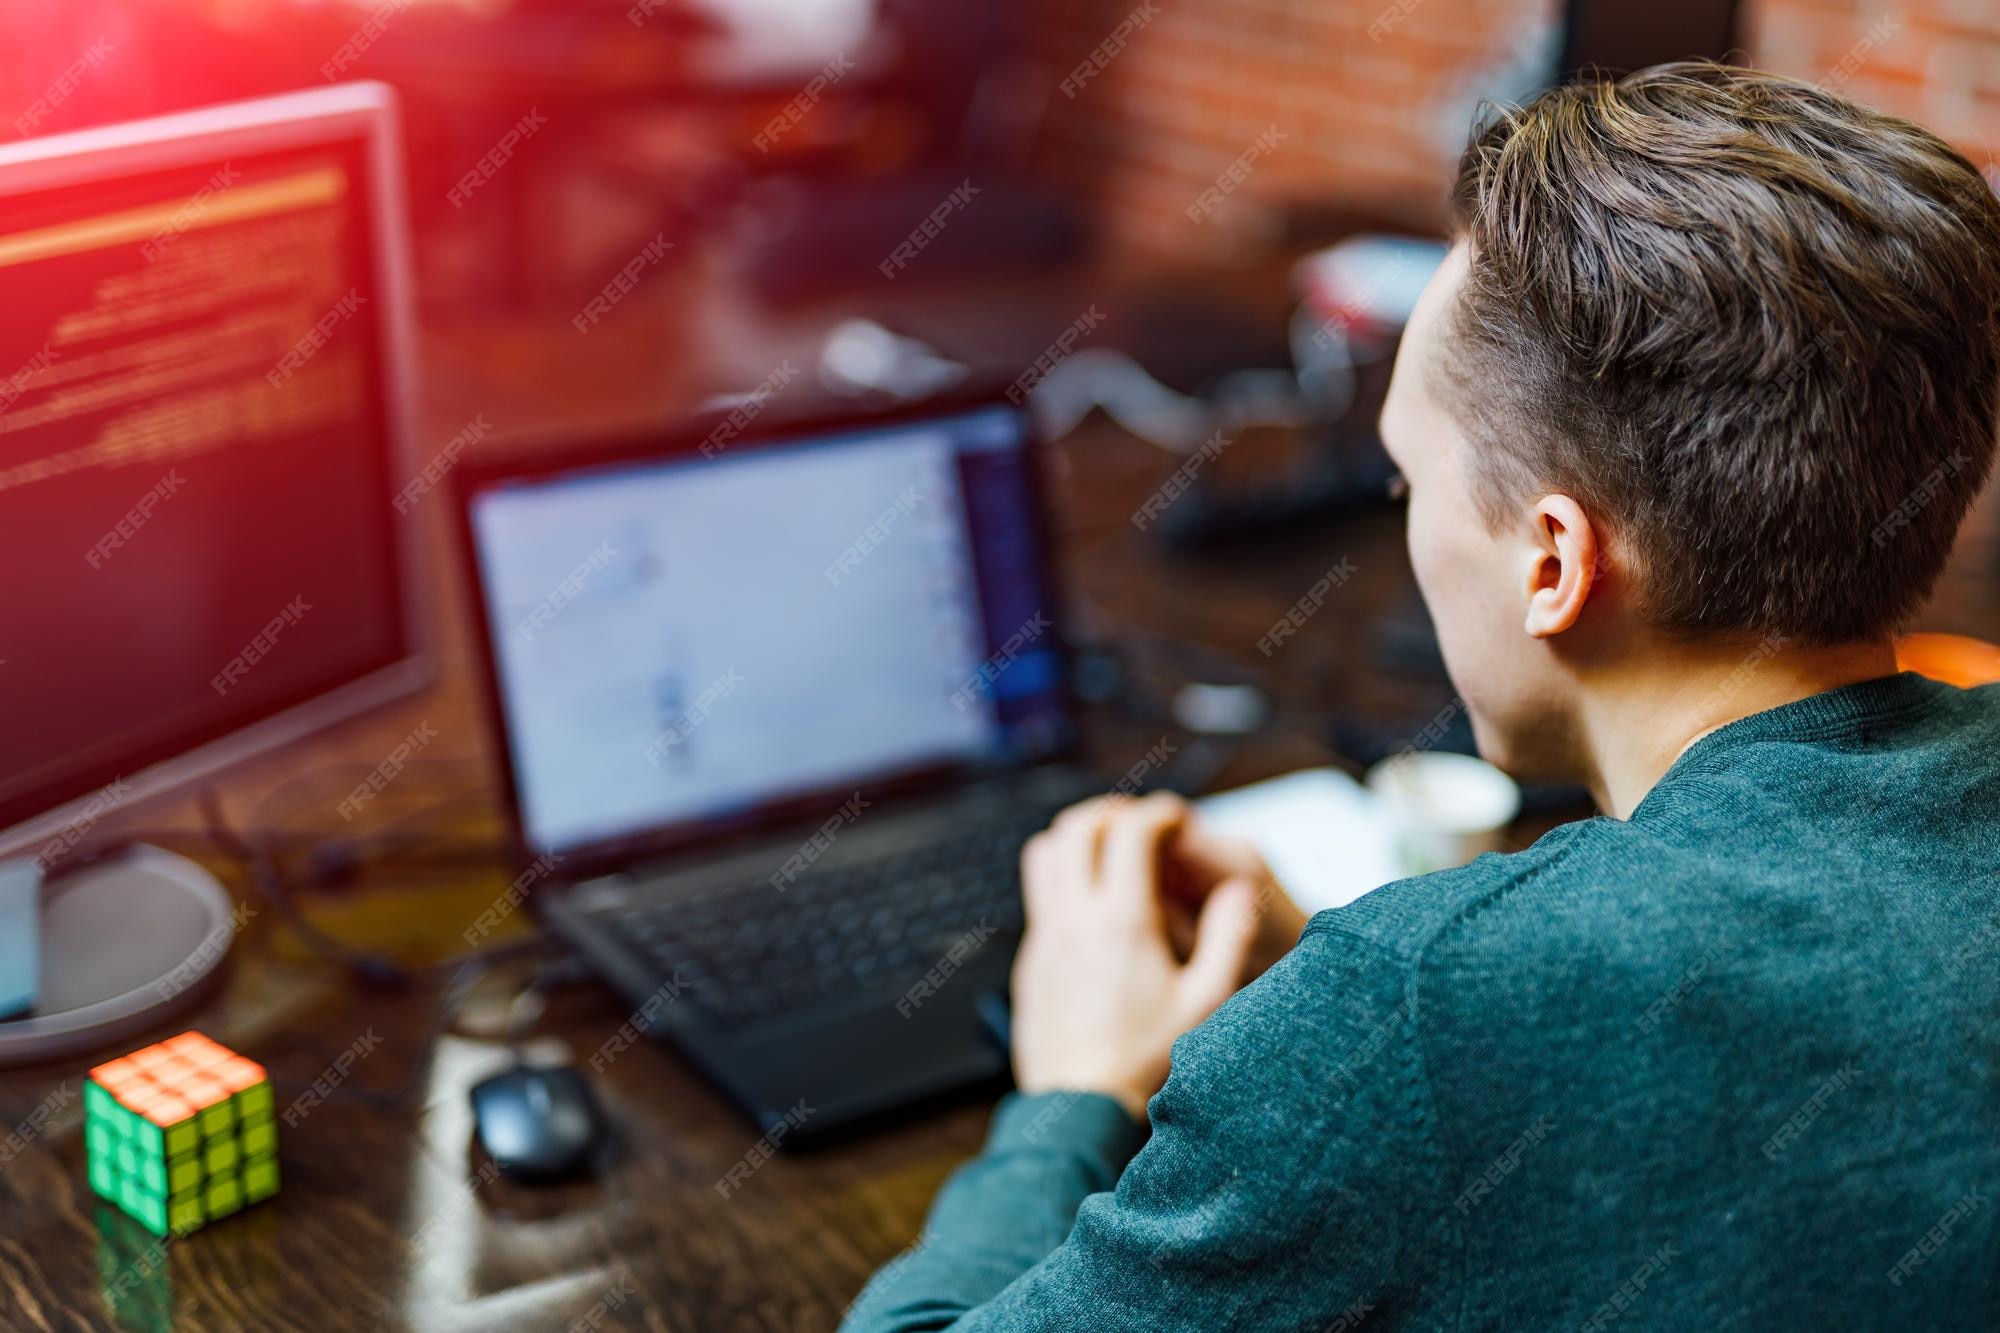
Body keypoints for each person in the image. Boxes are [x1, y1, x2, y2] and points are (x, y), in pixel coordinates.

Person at [841, 62, 2000, 1330]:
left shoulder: (1403, 1007)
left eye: (1408, 482)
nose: (1408, 523)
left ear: (1552, 564)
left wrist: (1065, 1097)